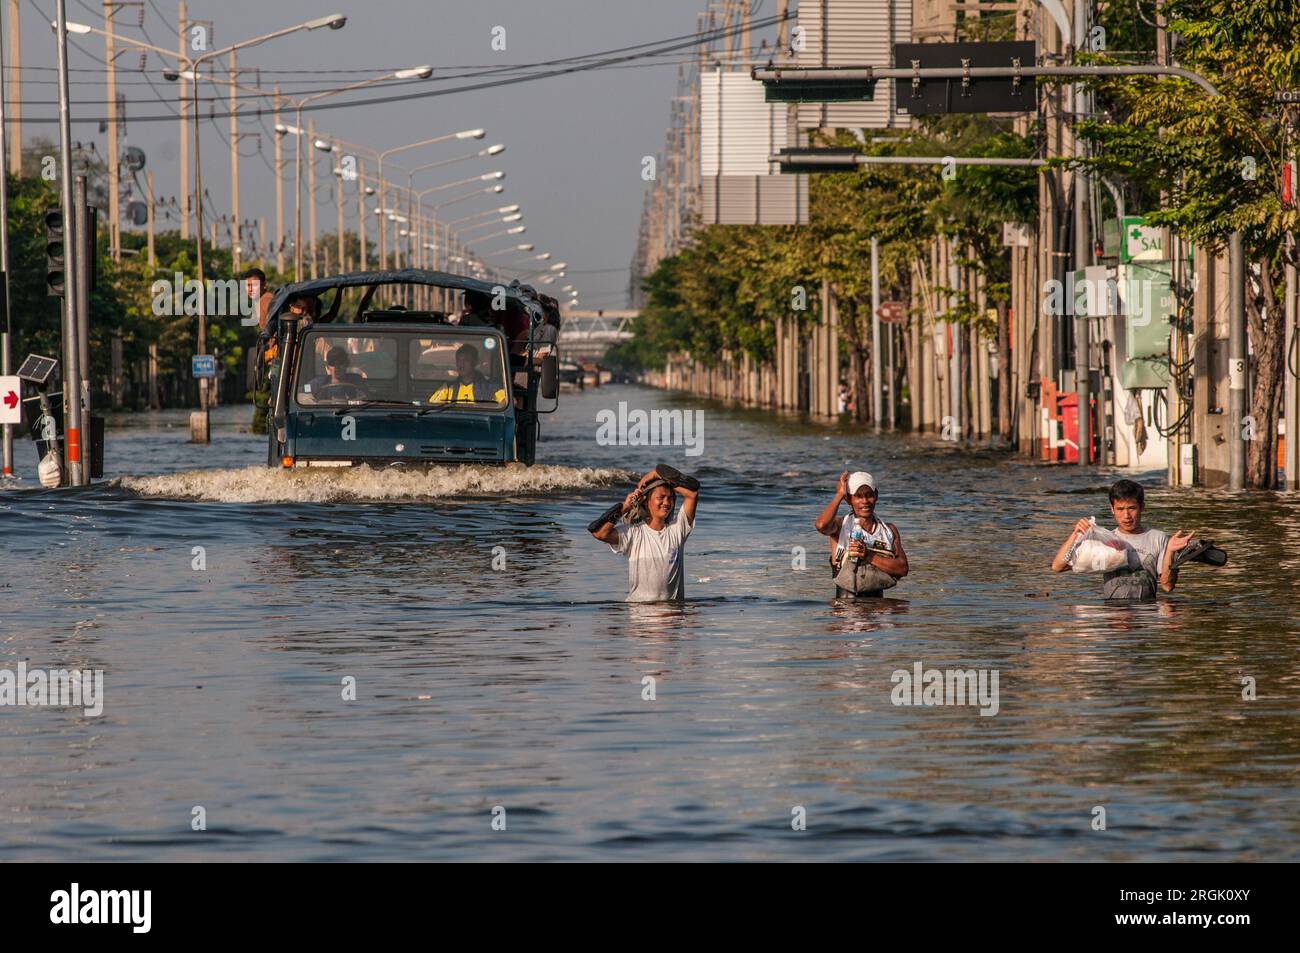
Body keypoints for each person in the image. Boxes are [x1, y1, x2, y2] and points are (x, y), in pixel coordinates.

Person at [1050, 478, 1194, 600]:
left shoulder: (1158, 538)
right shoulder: (1104, 541)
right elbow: (1058, 567)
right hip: (1113, 613)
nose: (1126, 515)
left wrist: (1171, 552)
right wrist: (1075, 534)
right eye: (1120, 509)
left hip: (1146, 614)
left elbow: (1167, 586)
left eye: (1132, 508)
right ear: (1112, 509)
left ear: (1142, 507)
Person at [589, 466, 700, 602]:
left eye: (670, 498)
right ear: (646, 502)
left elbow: (692, 493)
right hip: (640, 615)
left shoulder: (677, 530)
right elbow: (599, 533)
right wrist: (625, 507)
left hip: (672, 616)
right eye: (661, 497)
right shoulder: (634, 534)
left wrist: (656, 474)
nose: (666, 502)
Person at [814, 470, 909, 598]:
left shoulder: (888, 530)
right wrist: (839, 494)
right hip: (846, 607)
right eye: (858, 496)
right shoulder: (841, 526)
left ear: (876, 496)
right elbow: (821, 526)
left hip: (879, 607)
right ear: (849, 499)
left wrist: (868, 555)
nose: (865, 501)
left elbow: (902, 569)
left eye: (869, 495)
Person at [427, 343, 506, 404]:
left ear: (475, 362)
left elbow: (508, 403)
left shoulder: (490, 387)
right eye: (458, 360)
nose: (461, 364)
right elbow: (431, 407)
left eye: (466, 360)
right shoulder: (448, 388)